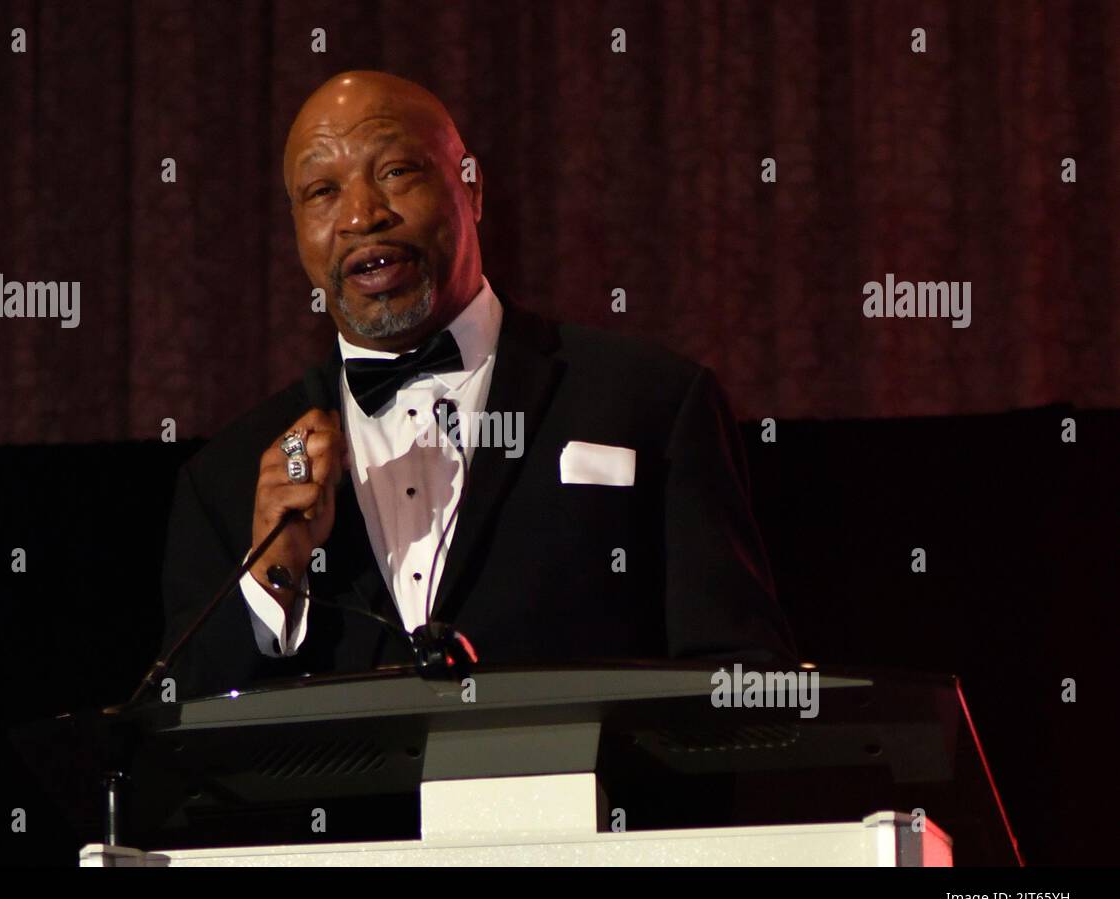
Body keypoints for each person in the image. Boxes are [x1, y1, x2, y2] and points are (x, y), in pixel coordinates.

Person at [160, 70, 796, 699]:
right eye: (323, 190)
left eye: (395, 172)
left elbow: (741, 682)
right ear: (297, 227)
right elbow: (184, 745)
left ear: (473, 190)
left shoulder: (651, 404)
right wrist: (276, 570)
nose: (362, 214)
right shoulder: (228, 480)